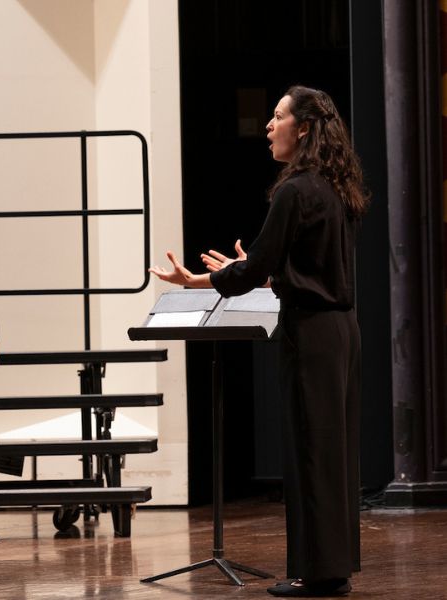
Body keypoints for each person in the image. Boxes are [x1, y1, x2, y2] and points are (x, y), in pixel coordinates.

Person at [149, 85, 366, 597]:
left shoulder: (294, 190)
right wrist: (246, 270)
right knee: (333, 451)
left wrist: (198, 281)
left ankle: (315, 572)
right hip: (342, 332)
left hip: (311, 332)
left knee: (310, 450)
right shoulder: (335, 187)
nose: (268, 127)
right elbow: (287, 268)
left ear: (304, 128)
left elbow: (260, 269)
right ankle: (332, 567)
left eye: (277, 117)